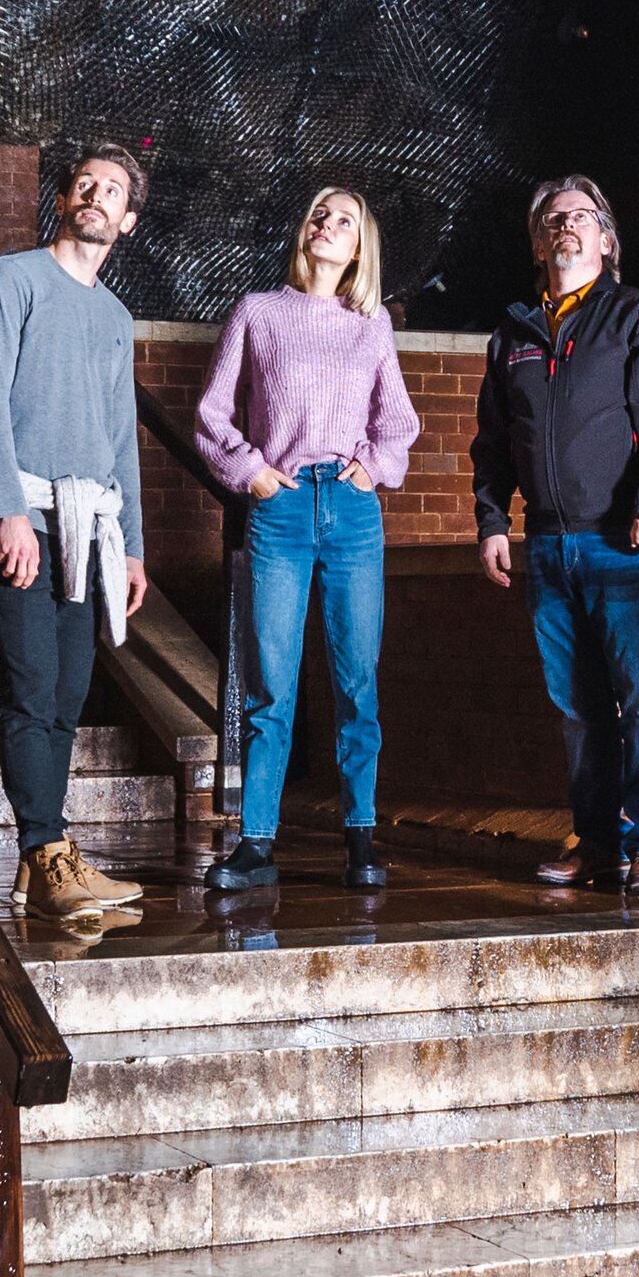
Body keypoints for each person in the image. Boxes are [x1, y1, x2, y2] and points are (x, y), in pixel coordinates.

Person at [192, 188, 421, 892]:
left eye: (344, 220)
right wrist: (250, 471)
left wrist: (374, 470)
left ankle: (360, 838)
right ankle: (256, 844)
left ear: (360, 248)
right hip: (281, 512)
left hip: (351, 513)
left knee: (357, 682)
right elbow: (210, 410)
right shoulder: (257, 313)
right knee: (271, 685)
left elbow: (399, 422)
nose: (327, 225)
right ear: (305, 231)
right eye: (320, 213)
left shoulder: (371, 324)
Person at [472, 174, 639, 898]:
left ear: (606, 238)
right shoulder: (514, 335)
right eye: (551, 220)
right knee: (579, 711)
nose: (565, 226)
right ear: (538, 243)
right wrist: (493, 520)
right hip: (548, 548)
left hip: (626, 545)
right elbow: (493, 442)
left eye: (580, 217)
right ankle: (599, 844)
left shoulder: (636, 315)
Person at [0, 143, 155, 923]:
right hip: (29, 513)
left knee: (69, 694)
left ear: (128, 221)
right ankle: (48, 851)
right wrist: (9, 511)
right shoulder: (14, 279)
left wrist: (135, 544)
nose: (95, 195)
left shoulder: (113, 316)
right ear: (67, 198)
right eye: (86, 183)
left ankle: (36, 866)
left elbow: (122, 436)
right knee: (32, 688)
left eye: (112, 190)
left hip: (93, 525)